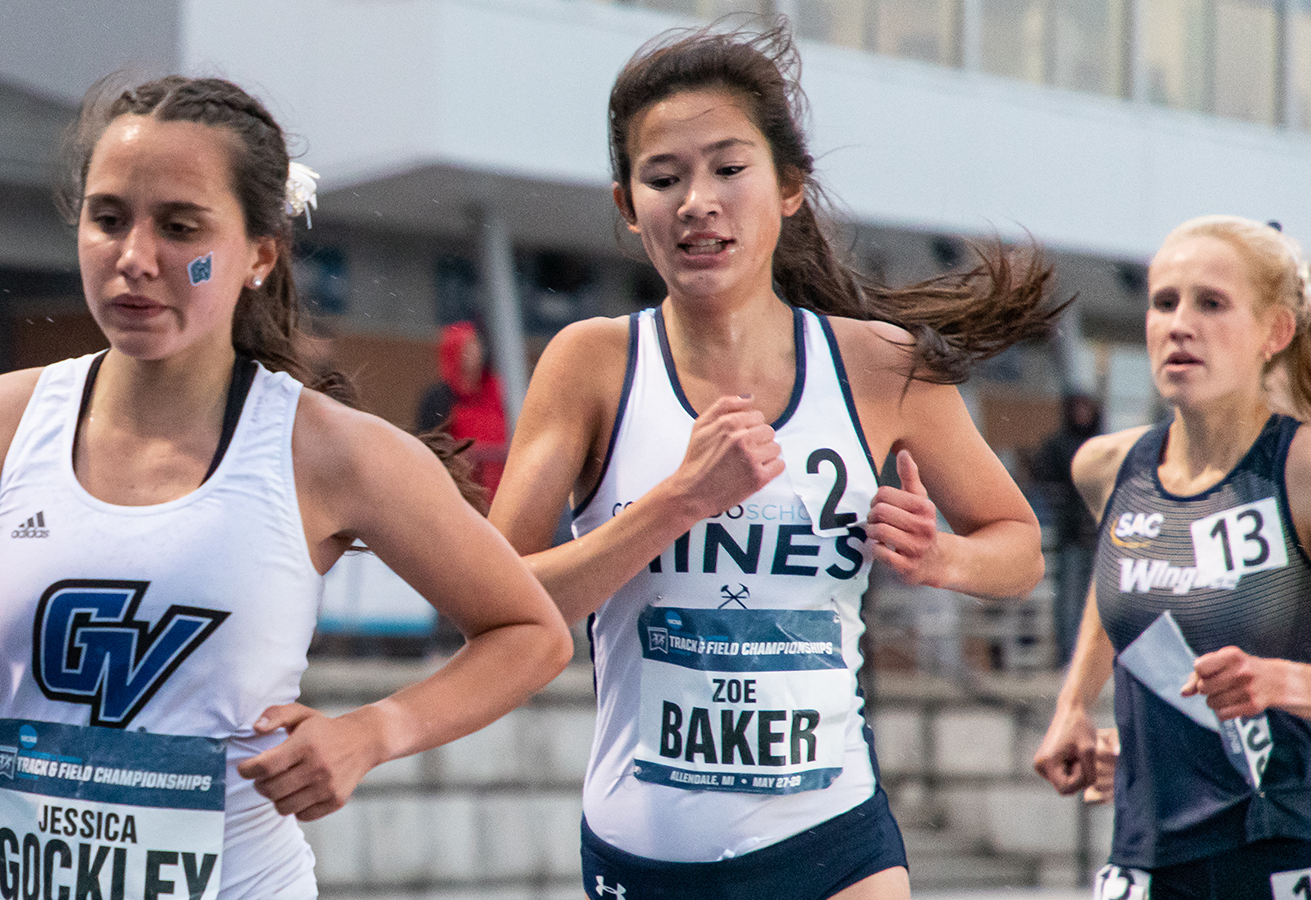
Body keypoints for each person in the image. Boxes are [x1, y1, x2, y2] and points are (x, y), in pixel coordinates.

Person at [0, 76, 571, 900]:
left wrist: (373, 732)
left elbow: (530, 633)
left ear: (259, 253)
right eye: (109, 218)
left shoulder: (329, 451)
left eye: (180, 226)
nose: (135, 258)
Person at [488, 25, 1056, 900]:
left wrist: (942, 557)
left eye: (727, 168)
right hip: (643, 856)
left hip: (833, 842)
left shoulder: (881, 366)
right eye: (663, 178)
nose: (696, 202)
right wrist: (676, 503)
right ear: (626, 206)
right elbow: (498, 603)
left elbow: (1018, 545)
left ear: (789, 187)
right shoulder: (591, 363)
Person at [1033, 216, 1311, 899]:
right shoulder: (1109, 467)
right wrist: (1075, 705)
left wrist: (1284, 684)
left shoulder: (1299, 471)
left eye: (1211, 303)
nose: (1180, 324)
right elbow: (1125, 583)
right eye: (1165, 302)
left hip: (1283, 851)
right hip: (1146, 854)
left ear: (1274, 333)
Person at [1032, 392, 1103, 668]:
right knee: (1070, 599)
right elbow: (1044, 477)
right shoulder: (1059, 446)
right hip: (1071, 534)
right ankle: (1069, 657)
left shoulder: (1101, 445)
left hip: (1099, 534)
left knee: (1097, 601)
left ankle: (1091, 659)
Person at [415, 320, 509, 499]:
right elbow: (429, 448)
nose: (475, 352)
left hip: (500, 492)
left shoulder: (498, 390)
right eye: (467, 347)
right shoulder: (439, 398)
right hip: (460, 492)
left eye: (475, 345)